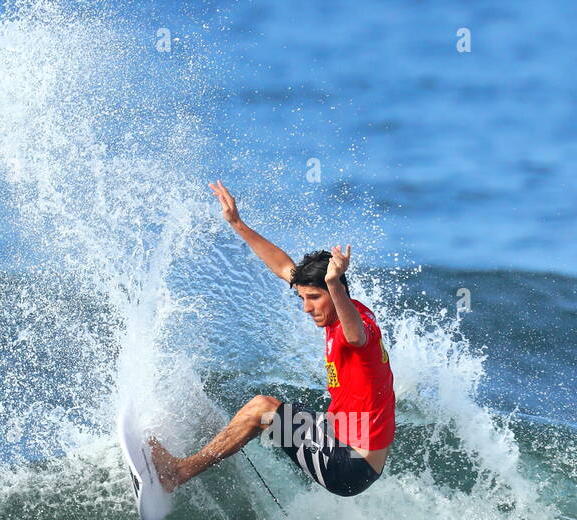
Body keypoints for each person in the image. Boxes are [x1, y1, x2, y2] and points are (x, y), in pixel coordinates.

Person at [148, 181, 396, 498]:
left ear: (337, 292)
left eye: (314, 298)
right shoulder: (339, 310)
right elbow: (284, 267)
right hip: (340, 437)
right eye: (302, 298)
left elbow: (356, 337)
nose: (307, 308)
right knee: (281, 410)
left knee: (260, 409)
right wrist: (237, 223)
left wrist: (333, 282)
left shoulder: (358, 326)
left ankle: (179, 473)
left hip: (350, 466)